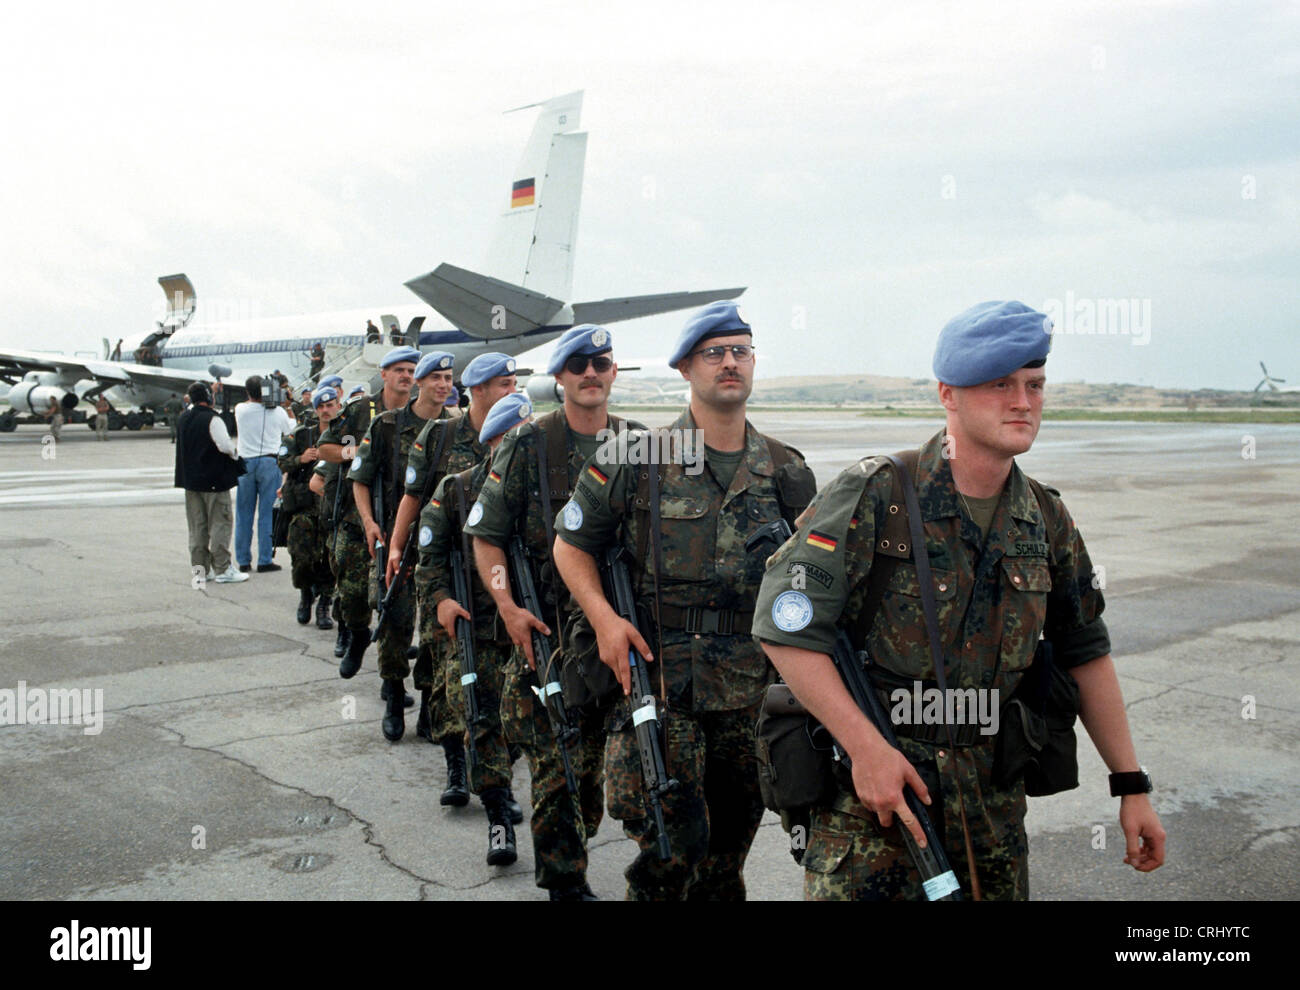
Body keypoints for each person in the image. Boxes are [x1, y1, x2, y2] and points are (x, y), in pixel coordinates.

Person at [753, 300, 1167, 901]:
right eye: (999, 385)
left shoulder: (1045, 517)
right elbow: (785, 625)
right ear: (949, 395)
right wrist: (866, 750)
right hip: (878, 806)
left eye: (1034, 385)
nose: (1023, 402)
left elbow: (1086, 651)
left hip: (993, 813)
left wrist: (1131, 786)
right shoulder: (879, 493)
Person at [552, 301, 817, 900]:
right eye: (714, 353)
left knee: (728, 855)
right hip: (662, 682)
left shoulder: (786, 470)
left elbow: (807, 582)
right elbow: (571, 547)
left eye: (741, 351)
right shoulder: (635, 458)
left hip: (751, 691)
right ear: (684, 368)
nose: (730, 363)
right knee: (671, 849)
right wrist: (605, 622)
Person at [467, 324, 644, 900]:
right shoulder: (529, 445)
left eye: (601, 364)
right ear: (560, 378)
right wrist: (507, 607)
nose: (590, 374)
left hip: (621, 636)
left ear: (613, 373)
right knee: (562, 773)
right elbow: (487, 536)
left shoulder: (639, 442)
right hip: (550, 637)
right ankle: (565, 885)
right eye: (577, 366)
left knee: (629, 775)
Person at [385, 352, 515, 800]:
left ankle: (497, 779)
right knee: (449, 671)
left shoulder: (519, 436)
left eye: (514, 384)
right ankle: (456, 766)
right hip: (446, 569)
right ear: (478, 390)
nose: (511, 392)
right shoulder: (441, 435)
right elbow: (414, 493)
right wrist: (398, 547)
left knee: (499, 680)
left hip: (497, 580)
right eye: (502, 385)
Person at [417, 392, 533, 865]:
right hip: (476, 627)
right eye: (513, 441)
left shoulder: (542, 492)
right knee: (481, 721)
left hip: (530, 629)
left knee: (524, 725)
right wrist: (441, 600)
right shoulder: (457, 489)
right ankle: (499, 816)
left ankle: (504, 781)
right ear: (493, 444)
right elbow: (429, 557)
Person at [348, 349, 450, 740]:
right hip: (395, 541)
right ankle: (393, 694)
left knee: (436, 629)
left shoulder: (456, 428)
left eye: (448, 379)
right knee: (394, 622)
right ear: (420, 382)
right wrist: (370, 524)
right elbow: (360, 477)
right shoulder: (387, 426)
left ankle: (429, 704)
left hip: (440, 548)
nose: (443, 385)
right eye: (435, 378)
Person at [278, 386, 340, 628]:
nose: (326, 410)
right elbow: (282, 460)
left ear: (338, 405)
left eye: (330, 405)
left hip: (331, 506)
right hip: (304, 508)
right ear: (315, 410)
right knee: (300, 556)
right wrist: (300, 459)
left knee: (328, 559)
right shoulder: (302, 435)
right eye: (321, 407)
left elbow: (356, 456)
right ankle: (305, 594)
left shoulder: (345, 434)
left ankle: (325, 603)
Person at [174, 382, 247, 584]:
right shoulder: (212, 419)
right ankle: (223, 568)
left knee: (197, 528)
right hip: (213, 482)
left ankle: (200, 571)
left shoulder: (183, 418)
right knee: (220, 525)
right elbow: (225, 445)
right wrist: (235, 455)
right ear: (209, 398)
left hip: (191, 482)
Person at [234, 375, 295, 573]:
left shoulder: (240, 409)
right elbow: (290, 429)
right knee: (268, 513)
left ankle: (243, 560)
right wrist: (286, 405)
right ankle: (264, 559)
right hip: (270, 461)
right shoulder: (278, 412)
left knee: (244, 514)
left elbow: (248, 404)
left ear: (248, 392)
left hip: (245, 463)